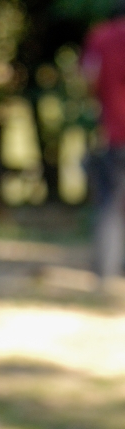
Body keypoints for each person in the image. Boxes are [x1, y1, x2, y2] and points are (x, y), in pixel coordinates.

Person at [82, 3, 125, 280]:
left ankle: (107, 269)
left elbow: (89, 75)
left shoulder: (100, 36)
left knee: (111, 201)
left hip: (114, 131)